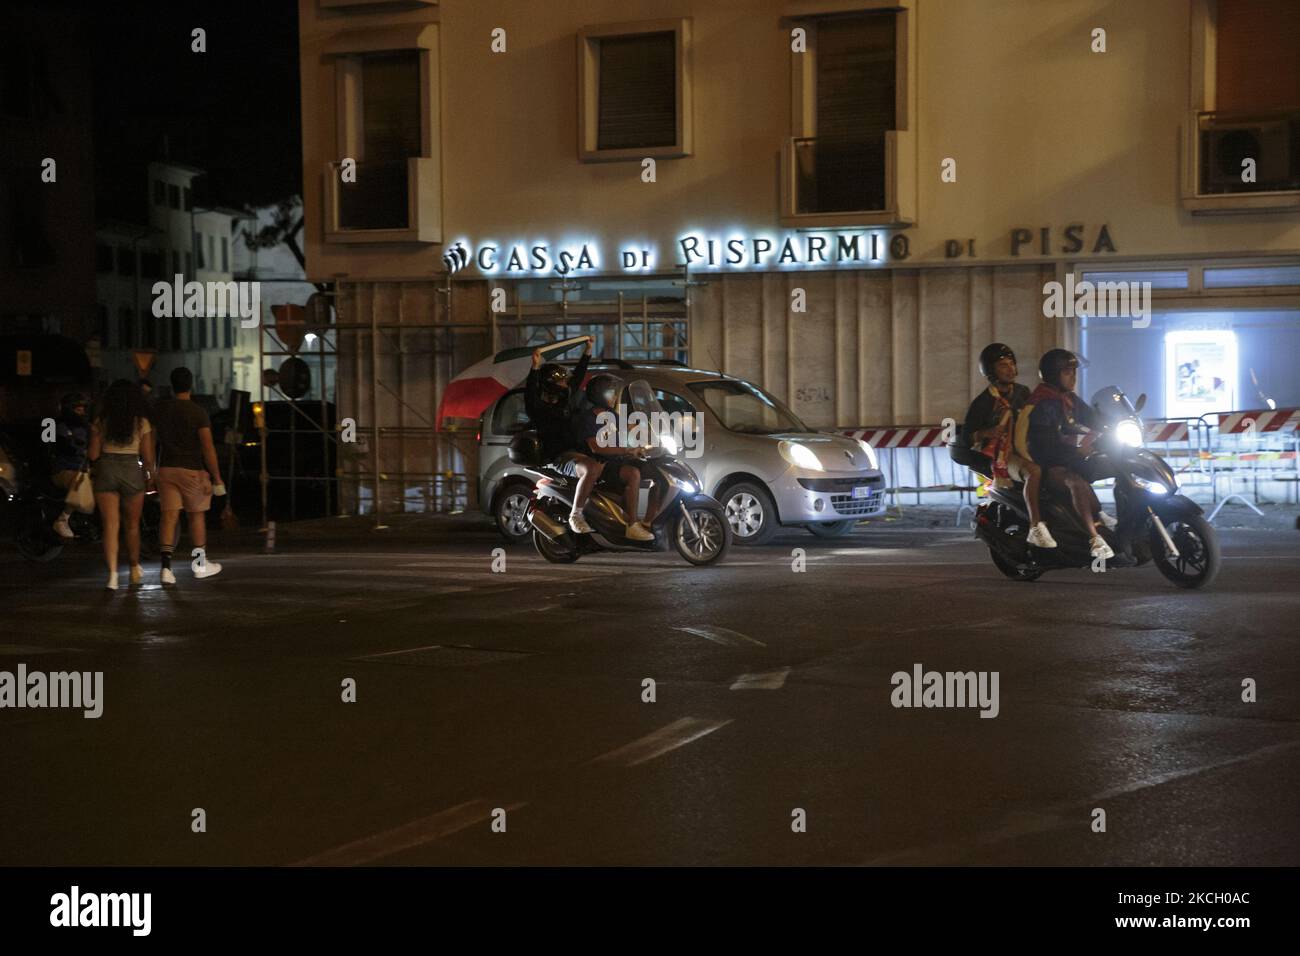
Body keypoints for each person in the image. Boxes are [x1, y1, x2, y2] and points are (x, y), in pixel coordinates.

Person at [1015, 349, 1115, 560]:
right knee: (1075, 482)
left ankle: (1100, 515)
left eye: (1074, 371)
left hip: (1070, 458)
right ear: (1053, 374)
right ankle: (1094, 538)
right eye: (1068, 372)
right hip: (1050, 465)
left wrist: (1113, 423)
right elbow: (1045, 446)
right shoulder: (1043, 403)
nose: (1074, 377)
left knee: (1110, 464)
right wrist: (1078, 451)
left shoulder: (1068, 399)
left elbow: (1093, 419)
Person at [962, 344, 1056, 549]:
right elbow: (967, 437)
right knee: (1033, 472)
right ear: (990, 371)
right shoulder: (983, 402)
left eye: (1012, 364)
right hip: (1006, 456)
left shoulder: (1022, 392)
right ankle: (1035, 527)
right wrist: (988, 432)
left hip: (1028, 448)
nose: (1010, 369)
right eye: (1003, 365)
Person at [152, 367, 226, 584]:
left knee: (169, 517)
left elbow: (153, 439)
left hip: (166, 469)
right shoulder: (197, 412)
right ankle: (199, 565)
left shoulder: (162, 411)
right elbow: (208, 447)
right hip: (191, 469)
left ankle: (166, 569)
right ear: (190, 384)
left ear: (172, 385)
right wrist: (217, 476)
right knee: (196, 515)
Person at [524, 336, 601, 533]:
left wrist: (588, 351)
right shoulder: (538, 408)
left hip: (575, 452)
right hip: (559, 457)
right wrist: (534, 367)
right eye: (562, 381)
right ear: (551, 384)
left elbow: (578, 377)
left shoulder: (564, 400)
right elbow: (531, 392)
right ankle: (576, 514)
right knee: (590, 468)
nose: (567, 383)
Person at [572, 373, 661, 541]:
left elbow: (631, 426)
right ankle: (632, 525)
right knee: (633, 474)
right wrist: (626, 450)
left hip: (617, 461)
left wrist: (653, 431)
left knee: (656, 472)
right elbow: (596, 447)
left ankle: (650, 522)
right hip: (601, 465)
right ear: (601, 394)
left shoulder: (611, 415)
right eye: (611, 393)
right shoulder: (589, 419)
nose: (614, 397)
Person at [87, 380, 156, 589]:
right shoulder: (141, 422)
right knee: (132, 526)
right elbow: (148, 457)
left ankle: (113, 576)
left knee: (110, 526)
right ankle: (134, 568)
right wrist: (150, 475)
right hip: (131, 472)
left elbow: (93, 454)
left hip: (107, 470)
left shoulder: (101, 421)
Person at [51, 392, 91, 539]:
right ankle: (63, 519)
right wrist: (69, 444)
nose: (81, 413)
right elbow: (49, 447)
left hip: (83, 466)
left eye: (83, 409)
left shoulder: (87, 427)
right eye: (78, 410)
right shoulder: (54, 424)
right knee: (81, 481)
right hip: (63, 469)